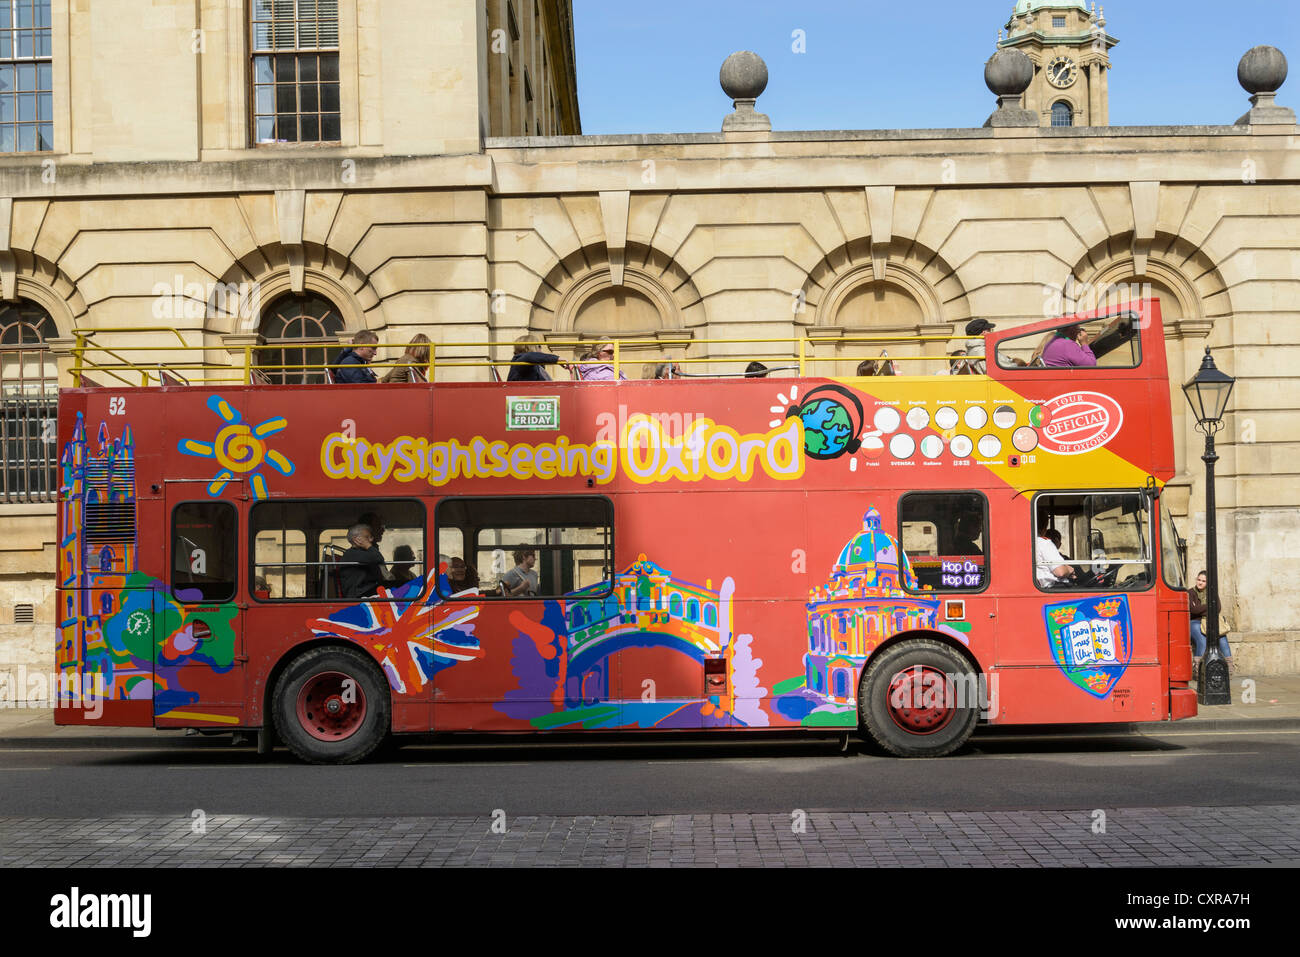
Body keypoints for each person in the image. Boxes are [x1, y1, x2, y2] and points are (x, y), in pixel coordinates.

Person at [1189, 570, 1233, 671]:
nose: (1200, 582)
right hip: (1195, 622)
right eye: (1199, 580)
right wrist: (1209, 607)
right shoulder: (1190, 593)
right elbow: (1193, 610)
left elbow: (1217, 608)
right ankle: (1198, 669)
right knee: (1202, 641)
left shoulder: (1212, 592)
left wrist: (1201, 608)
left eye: (1203, 581)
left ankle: (1229, 668)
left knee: (1222, 638)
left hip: (1209, 621)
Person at [340, 524, 386, 599]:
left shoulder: (364, 553)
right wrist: (368, 545)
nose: (371, 540)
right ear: (356, 539)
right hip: (359, 593)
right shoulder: (352, 554)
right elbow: (379, 558)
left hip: (368, 589)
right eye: (367, 537)